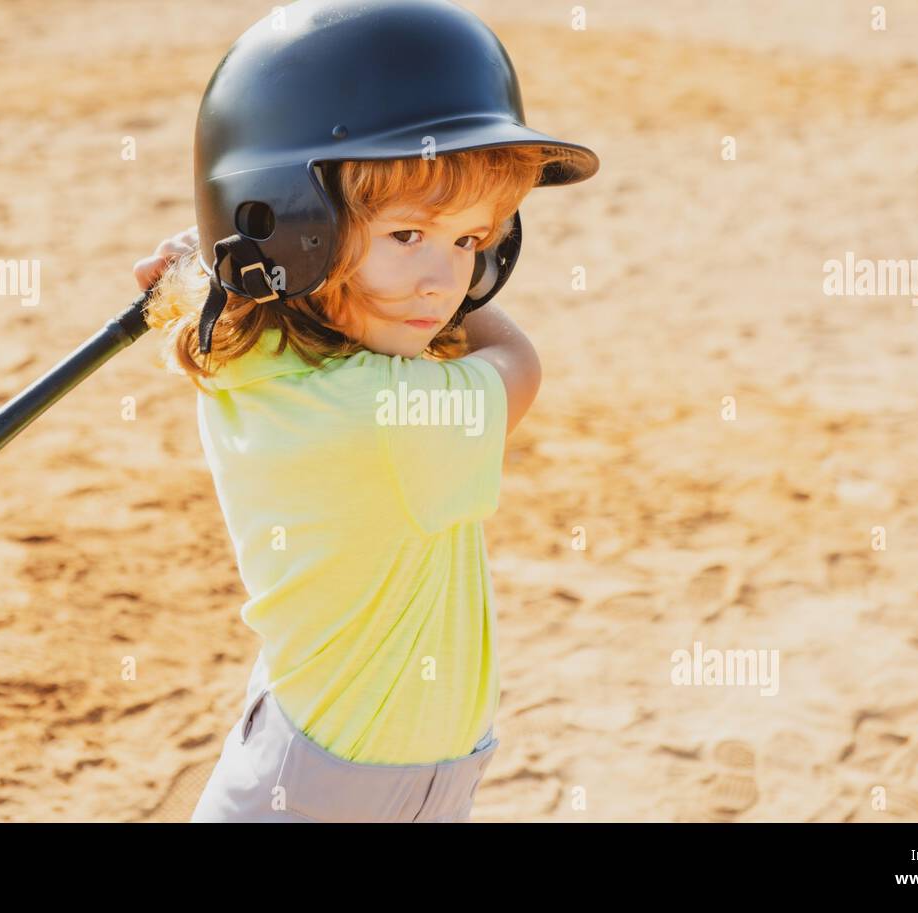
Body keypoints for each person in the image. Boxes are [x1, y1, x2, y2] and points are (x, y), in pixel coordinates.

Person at [132, 0, 598, 822]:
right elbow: (520, 366)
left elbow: (244, 290)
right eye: (410, 234)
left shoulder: (257, 350)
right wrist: (233, 255)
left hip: (324, 761)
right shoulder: (384, 410)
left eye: (471, 242)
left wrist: (229, 257)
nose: (443, 282)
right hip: (340, 796)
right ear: (296, 232)